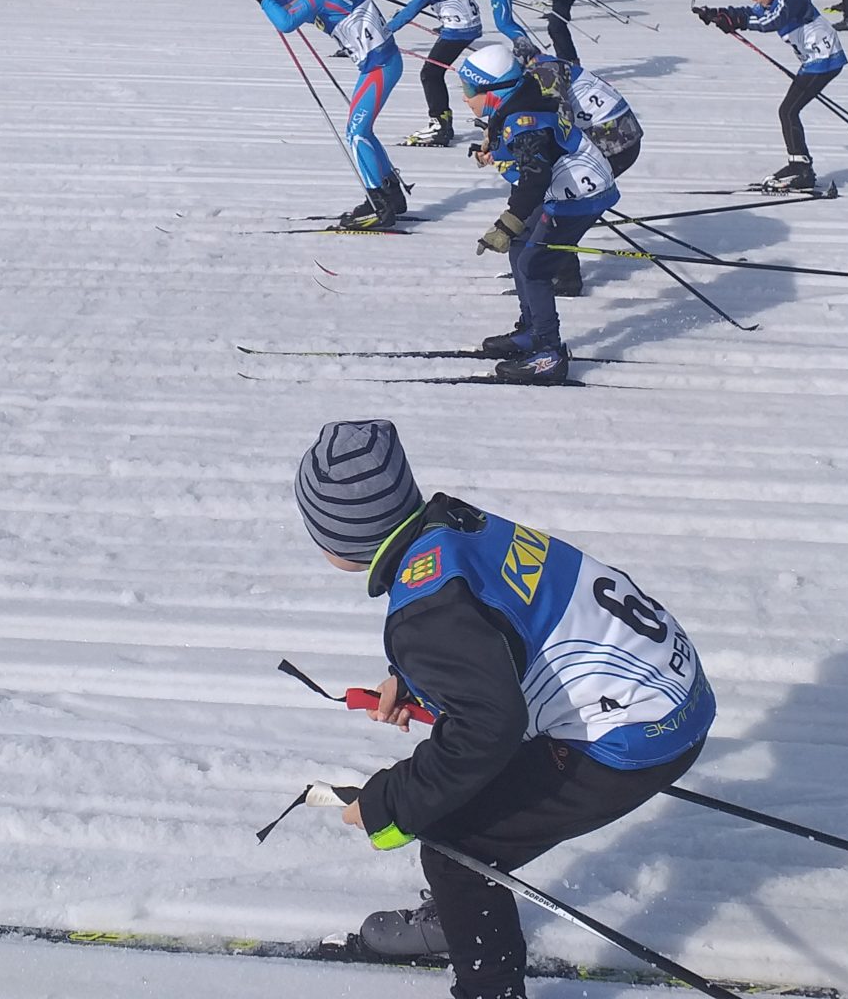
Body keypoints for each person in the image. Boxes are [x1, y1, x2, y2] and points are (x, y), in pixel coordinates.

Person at [294, 418, 713, 995]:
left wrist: (392, 801)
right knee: (465, 810)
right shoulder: (458, 529)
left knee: (455, 846)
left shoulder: (424, 615)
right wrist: (414, 681)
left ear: (343, 535)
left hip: (637, 735)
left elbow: (488, 729)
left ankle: (485, 979)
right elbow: (500, 623)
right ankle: (464, 916)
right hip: (677, 690)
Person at [461, 44, 620, 383]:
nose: (464, 98)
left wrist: (507, 221)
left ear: (493, 93)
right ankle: (532, 329)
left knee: (533, 265)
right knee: (521, 245)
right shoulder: (520, 103)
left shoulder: (524, 121)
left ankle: (549, 353)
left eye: (469, 91)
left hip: (579, 196)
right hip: (565, 190)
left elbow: (535, 176)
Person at [249, 0, 409, 228]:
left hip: (379, 65)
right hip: (382, 62)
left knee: (356, 132)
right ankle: (392, 193)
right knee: (362, 130)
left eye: (284, 0)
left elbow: (286, 22)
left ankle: (378, 204)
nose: (288, 5)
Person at [693, 0, 847, 191]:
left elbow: (770, 21)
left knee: (788, 110)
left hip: (825, 58)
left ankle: (801, 167)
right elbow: (751, 13)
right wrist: (719, 14)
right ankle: (800, 165)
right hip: (816, 59)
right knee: (789, 110)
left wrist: (737, 23)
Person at [387, 0, 484, 146]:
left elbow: (414, 7)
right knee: (435, 72)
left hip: (460, 29)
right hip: (464, 24)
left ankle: (440, 125)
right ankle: (443, 121)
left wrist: (388, 29)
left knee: (430, 73)